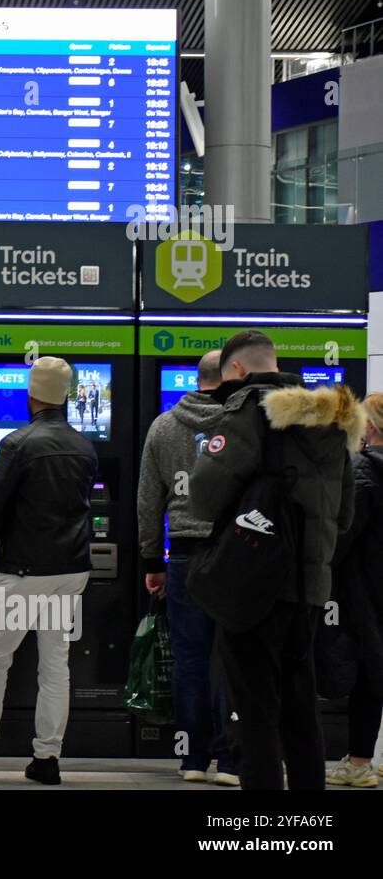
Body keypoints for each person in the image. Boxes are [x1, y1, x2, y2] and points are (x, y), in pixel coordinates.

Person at [190, 329, 362, 790]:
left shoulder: (249, 413)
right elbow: (344, 516)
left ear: (239, 370)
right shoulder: (333, 422)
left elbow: (204, 497)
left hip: (253, 586)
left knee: (255, 710)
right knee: (301, 705)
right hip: (309, 589)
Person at [0, 356, 97, 785]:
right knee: (55, 666)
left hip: (23, 574)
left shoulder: (17, 444)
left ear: (31, 395)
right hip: (70, 572)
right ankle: (47, 760)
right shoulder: (84, 446)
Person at [137, 349, 238, 785]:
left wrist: (149, 559)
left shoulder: (164, 425)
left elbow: (147, 500)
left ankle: (192, 759)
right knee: (230, 658)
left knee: (189, 658)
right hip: (233, 554)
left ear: (196, 380)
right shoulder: (240, 424)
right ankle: (231, 761)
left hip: (181, 555)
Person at [320, 392, 383, 787]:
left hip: (364, 589)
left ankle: (359, 763)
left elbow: (342, 536)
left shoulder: (361, 471)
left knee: (365, 675)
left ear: (371, 427)